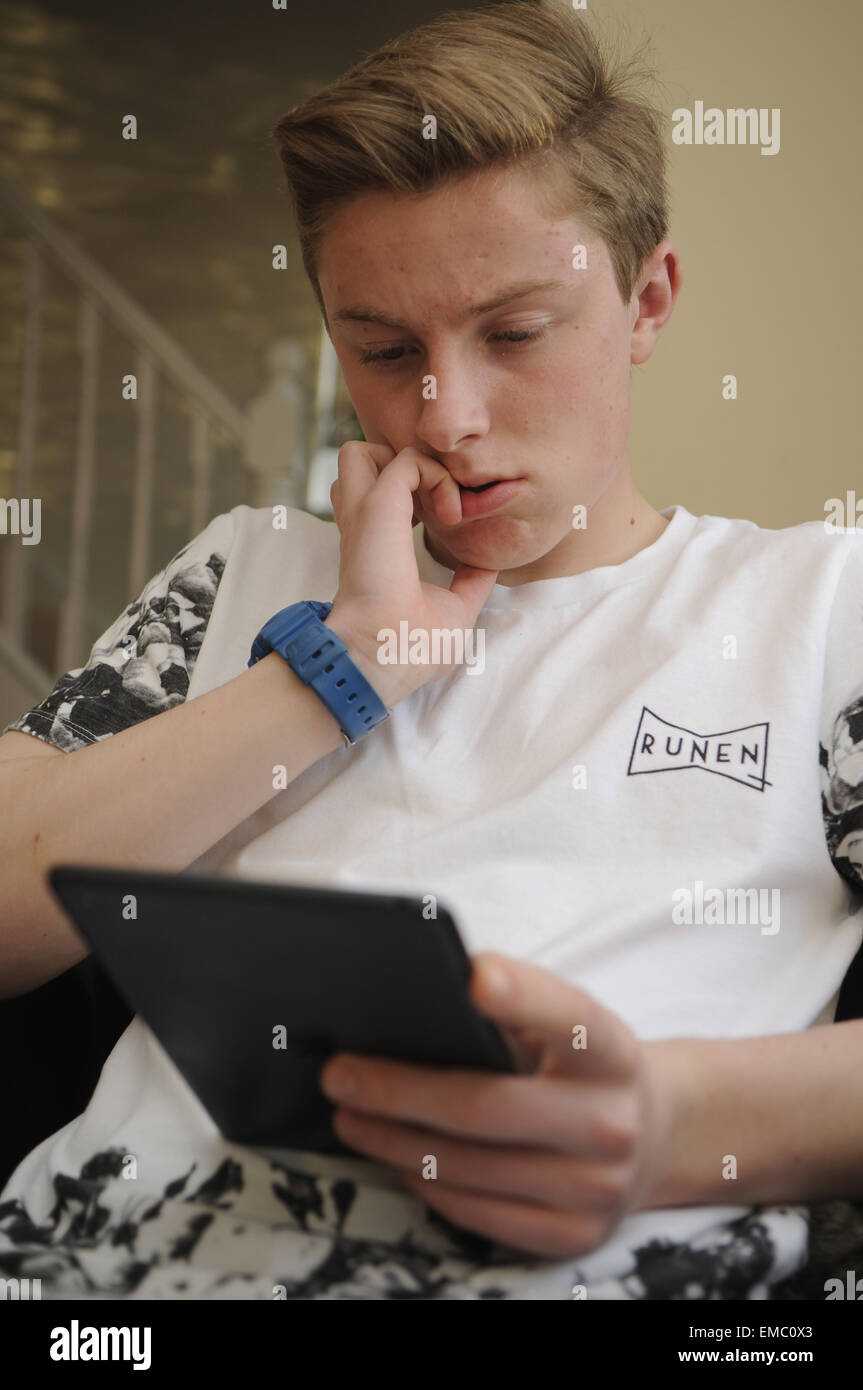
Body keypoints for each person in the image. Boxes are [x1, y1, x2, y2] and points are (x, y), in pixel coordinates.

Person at [1, 1, 862, 1301]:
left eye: (514, 333)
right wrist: (341, 664)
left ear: (649, 300)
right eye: (384, 349)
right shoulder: (244, 568)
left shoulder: (820, 602)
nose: (445, 415)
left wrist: (671, 1121)